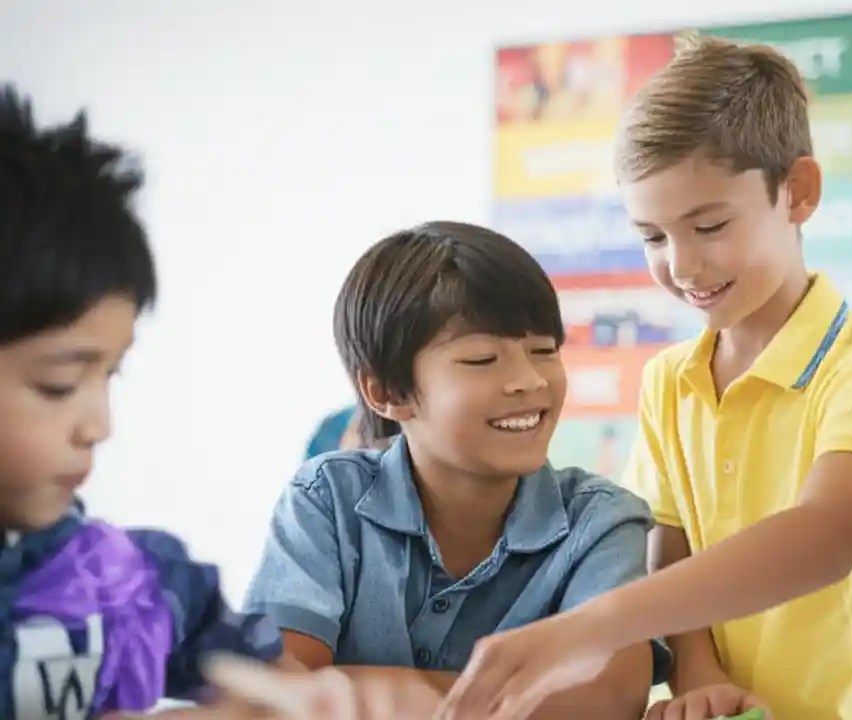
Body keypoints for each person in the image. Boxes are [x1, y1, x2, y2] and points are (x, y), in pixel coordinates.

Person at [436, 36, 852, 720]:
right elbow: (671, 545)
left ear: (800, 193)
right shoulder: (670, 379)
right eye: (653, 237)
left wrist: (590, 626)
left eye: (709, 225)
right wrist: (695, 671)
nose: (684, 265)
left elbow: (827, 536)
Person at [241, 221, 668, 717]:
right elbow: (277, 688)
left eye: (544, 351)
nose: (528, 381)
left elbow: (608, 698)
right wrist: (519, 696)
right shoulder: (326, 498)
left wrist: (357, 689)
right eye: (483, 359)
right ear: (387, 393)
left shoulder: (602, 521)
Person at [0, 84, 289, 719]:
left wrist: (296, 698)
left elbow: (266, 676)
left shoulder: (126, 584)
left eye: (112, 375)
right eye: (59, 385)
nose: (99, 426)